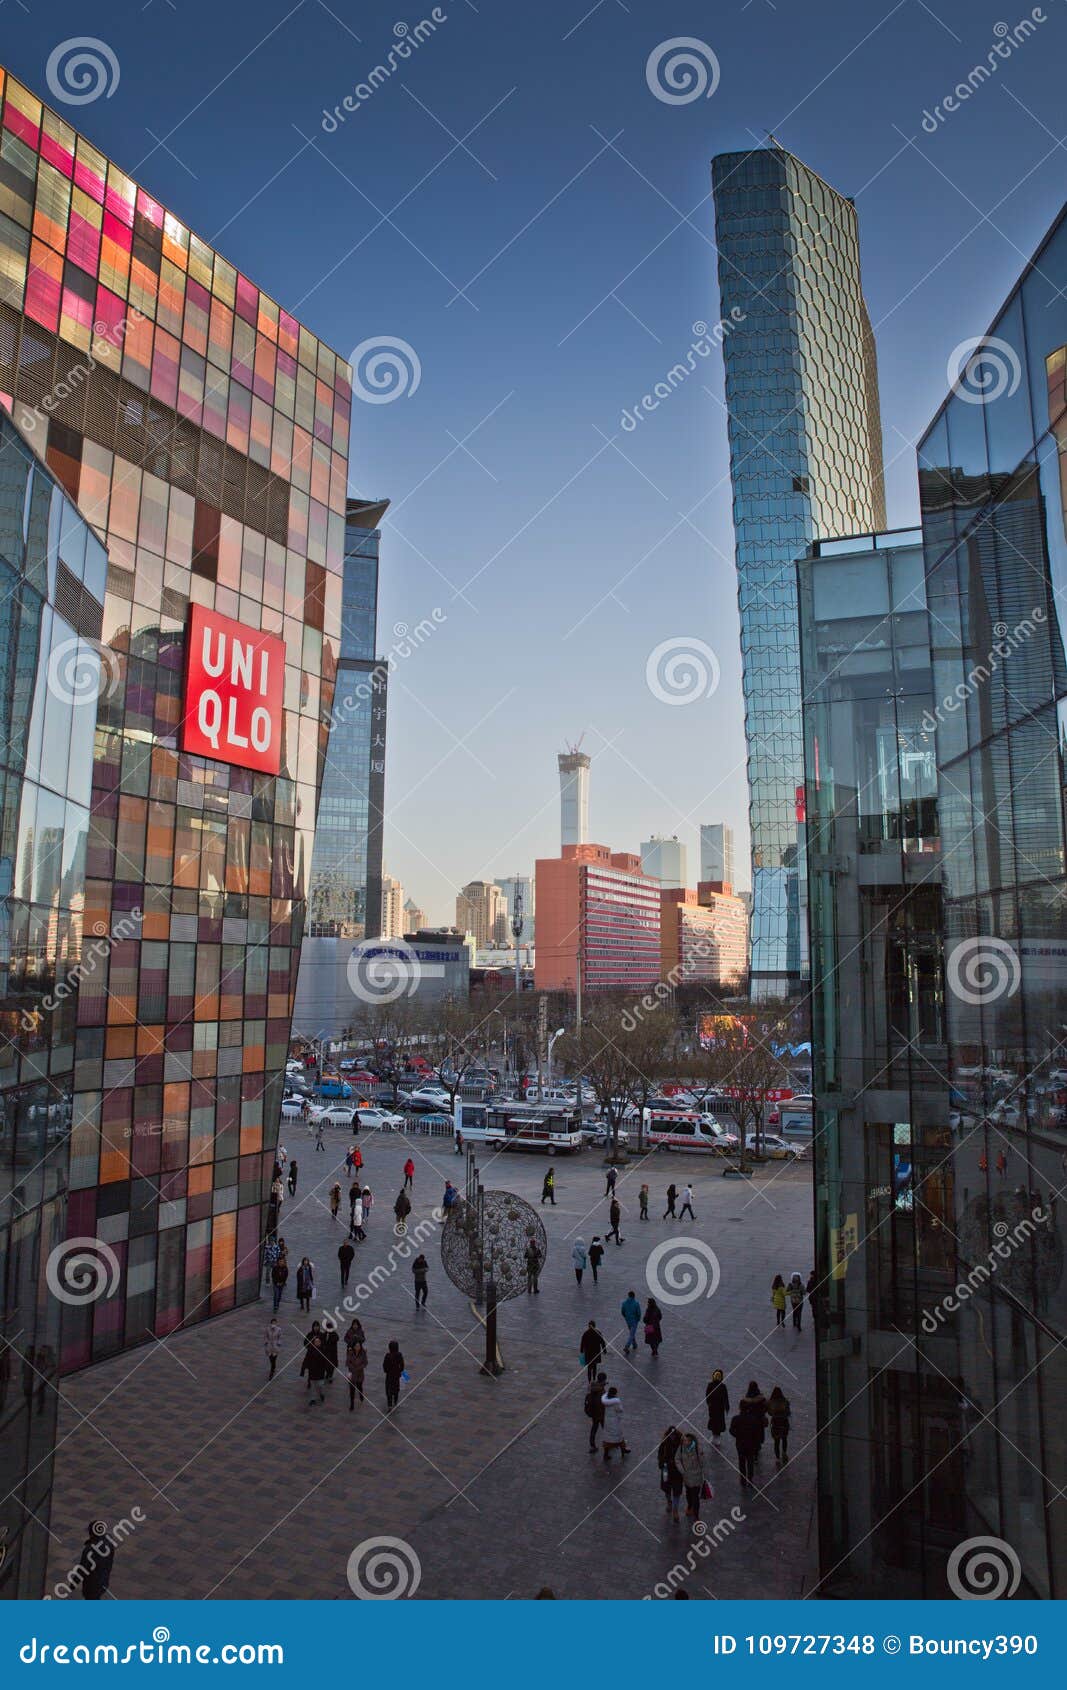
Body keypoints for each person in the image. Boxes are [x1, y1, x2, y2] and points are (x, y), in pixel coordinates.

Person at [676, 1429, 709, 1519]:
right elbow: (677, 1459)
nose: (684, 1442)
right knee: (688, 1493)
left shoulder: (698, 1449)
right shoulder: (681, 1448)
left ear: (691, 1441)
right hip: (686, 1476)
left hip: (696, 1477)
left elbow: (703, 1463)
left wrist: (705, 1474)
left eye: (686, 1440)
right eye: (684, 1440)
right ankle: (690, 1506)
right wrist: (682, 1470)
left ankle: (696, 1515)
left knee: (695, 1496)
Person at [79, 1522, 114, 1599]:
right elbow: (110, 1561)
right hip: (103, 1580)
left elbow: (82, 1569)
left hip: (91, 1585)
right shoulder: (109, 1543)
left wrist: (73, 1584)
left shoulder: (88, 1550)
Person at [657, 1426, 684, 1522]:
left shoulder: (681, 1444)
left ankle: (675, 1510)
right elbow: (660, 1455)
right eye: (671, 1435)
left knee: (677, 1492)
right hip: (666, 1470)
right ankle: (669, 1502)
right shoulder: (664, 1443)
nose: (672, 1437)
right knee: (667, 1489)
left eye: (673, 1435)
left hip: (677, 1472)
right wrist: (662, 1464)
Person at [730, 1406, 761, 1487]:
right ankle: (750, 1478)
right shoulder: (753, 1419)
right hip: (751, 1443)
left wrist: (738, 1435)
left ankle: (743, 1479)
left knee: (742, 1462)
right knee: (750, 1461)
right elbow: (757, 1432)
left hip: (740, 1443)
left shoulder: (736, 1418)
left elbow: (731, 1430)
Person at [738, 1380, 768, 1462]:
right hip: (758, 1420)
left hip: (749, 1421)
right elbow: (765, 1408)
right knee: (757, 1436)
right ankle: (756, 1453)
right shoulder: (761, 1399)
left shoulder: (745, 1399)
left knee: (751, 1436)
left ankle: (752, 1451)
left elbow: (741, 1409)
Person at [600, 1385, 629, 1462]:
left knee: (607, 1438)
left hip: (607, 1422)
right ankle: (623, 1451)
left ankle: (605, 1455)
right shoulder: (616, 1402)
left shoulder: (605, 1400)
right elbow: (620, 1410)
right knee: (619, 1437)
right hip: (615, 1422)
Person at [300, 1334, 329, 1406]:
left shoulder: (323, 1350)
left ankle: (321, 1393)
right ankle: (312, 1399)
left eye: (318, 1341)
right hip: (312, 1371)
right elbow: (306, 1359)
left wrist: (327, 1369)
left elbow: (327, 1361)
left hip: (320, 1371)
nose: (317, 1343)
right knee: (313, 1386)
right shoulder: (310, 1350)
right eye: (316, 1342)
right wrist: (303, 1369)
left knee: (320, 1385)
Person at [584, 1369, 607, 1451]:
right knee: (606, 1429)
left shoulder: (594, 1386)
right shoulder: (602, 1391)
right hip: (600, 1413)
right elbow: (603, 1403)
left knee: (594, 1428)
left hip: (593, 1412)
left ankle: (592, 1445)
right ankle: (610, 1443)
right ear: (604, 1379)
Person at [768, 1385, 791, 1463]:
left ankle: (777, 1457)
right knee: (784, 1438)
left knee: (776, 1441)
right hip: (784, 1422)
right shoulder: (785, 1401)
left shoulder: (771, 1402)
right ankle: (784, 1452)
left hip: (775, 1423)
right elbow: (788, 1412)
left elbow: (770, 1413)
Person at [705, 1368, 729, 1442]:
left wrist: (726, 1406)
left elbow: (725, 1397)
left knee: (719, 1421)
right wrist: (709, 1403)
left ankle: (717, 1436)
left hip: (720, 1408)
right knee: (713, 1421)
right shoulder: (710, 1385)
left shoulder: (723, 1386)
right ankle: (714, 1434)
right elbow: (707, 1395)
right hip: (713, 1407)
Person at [383, 1339, 406, 1409]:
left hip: (389, 1375)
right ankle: (395, 1401)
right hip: (397, 1374)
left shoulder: (387, 1355)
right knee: (396, 1388)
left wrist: (386, 1371)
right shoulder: (399, 1355)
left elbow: (384, 1365)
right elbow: (402, 1365)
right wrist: (400, 1371)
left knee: (389, 1388)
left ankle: (389, 1404)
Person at [347, 1339, 368, 1409]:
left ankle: (361, 1394)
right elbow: (347, 1362)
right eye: (356, 1346)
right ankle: (352, 1403)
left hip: (360, 1374)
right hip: (352, 1374)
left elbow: (365, 1363)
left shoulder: (363, 1353)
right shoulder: (350, 1352)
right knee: (352, 1389)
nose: (357, 1347)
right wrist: (352, 1367)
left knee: (359, 1386)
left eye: (358, 1346)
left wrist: (359, 1367)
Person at [621, 1289, 641, 1353]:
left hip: (628, 1320)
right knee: (632, 1334)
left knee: (632, 1333)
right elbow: (639, 1313)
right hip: (634, 1321)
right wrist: (638, 1319)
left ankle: (634, 1344)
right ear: (634, 1296)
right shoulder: (636, 1303)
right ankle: (626, 1346)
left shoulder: (624, 1303)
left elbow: (622, 1312)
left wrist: (626, 1317)